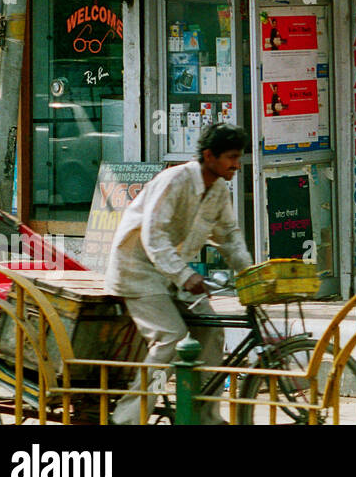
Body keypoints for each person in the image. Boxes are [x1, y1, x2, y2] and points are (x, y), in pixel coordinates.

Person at [105, 123, 253, 424]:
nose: (237, 165)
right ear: (209, 156)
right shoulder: (174, 181)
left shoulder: (218, 191)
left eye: (239, 158)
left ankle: (204, 415)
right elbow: (153, 236)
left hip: (175, 273)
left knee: (211, 332)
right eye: (231, 157)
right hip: (139, 271)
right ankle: (128, 418)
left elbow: (229, 236)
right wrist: (185, 275)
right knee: (171, 339)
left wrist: (251, 273)